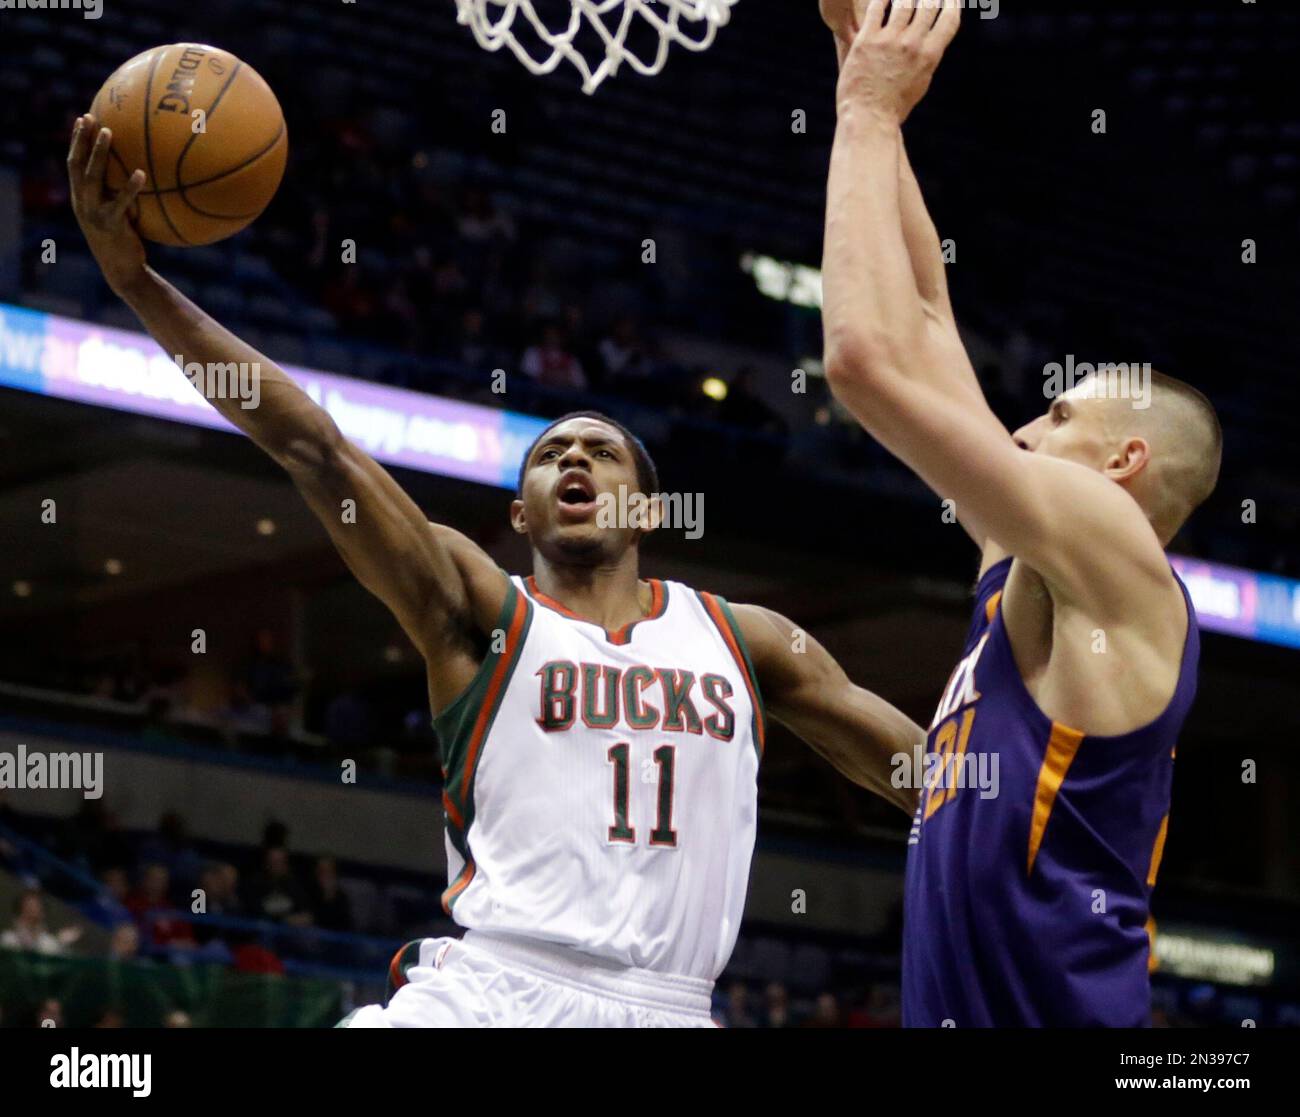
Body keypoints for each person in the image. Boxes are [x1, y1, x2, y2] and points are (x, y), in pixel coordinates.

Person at [68, 116, 922, 1028]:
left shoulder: (745, 638)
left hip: (672, 1005)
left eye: (603, 450)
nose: (578, 460)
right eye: (553, 454)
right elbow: (313, 448)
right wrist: (137, 283)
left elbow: (928, 775)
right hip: (493, 992)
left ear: (648, 505)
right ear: (522, 513)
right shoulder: (480, 611)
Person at [819, 1, 1219, 1026]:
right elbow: (916, 313)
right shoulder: (1038, 569)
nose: (1021, 432)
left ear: (1123, 461)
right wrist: (855, 57)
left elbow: (863, 360)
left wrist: (869, 108)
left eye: (1056, 411)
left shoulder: (1115, 554)